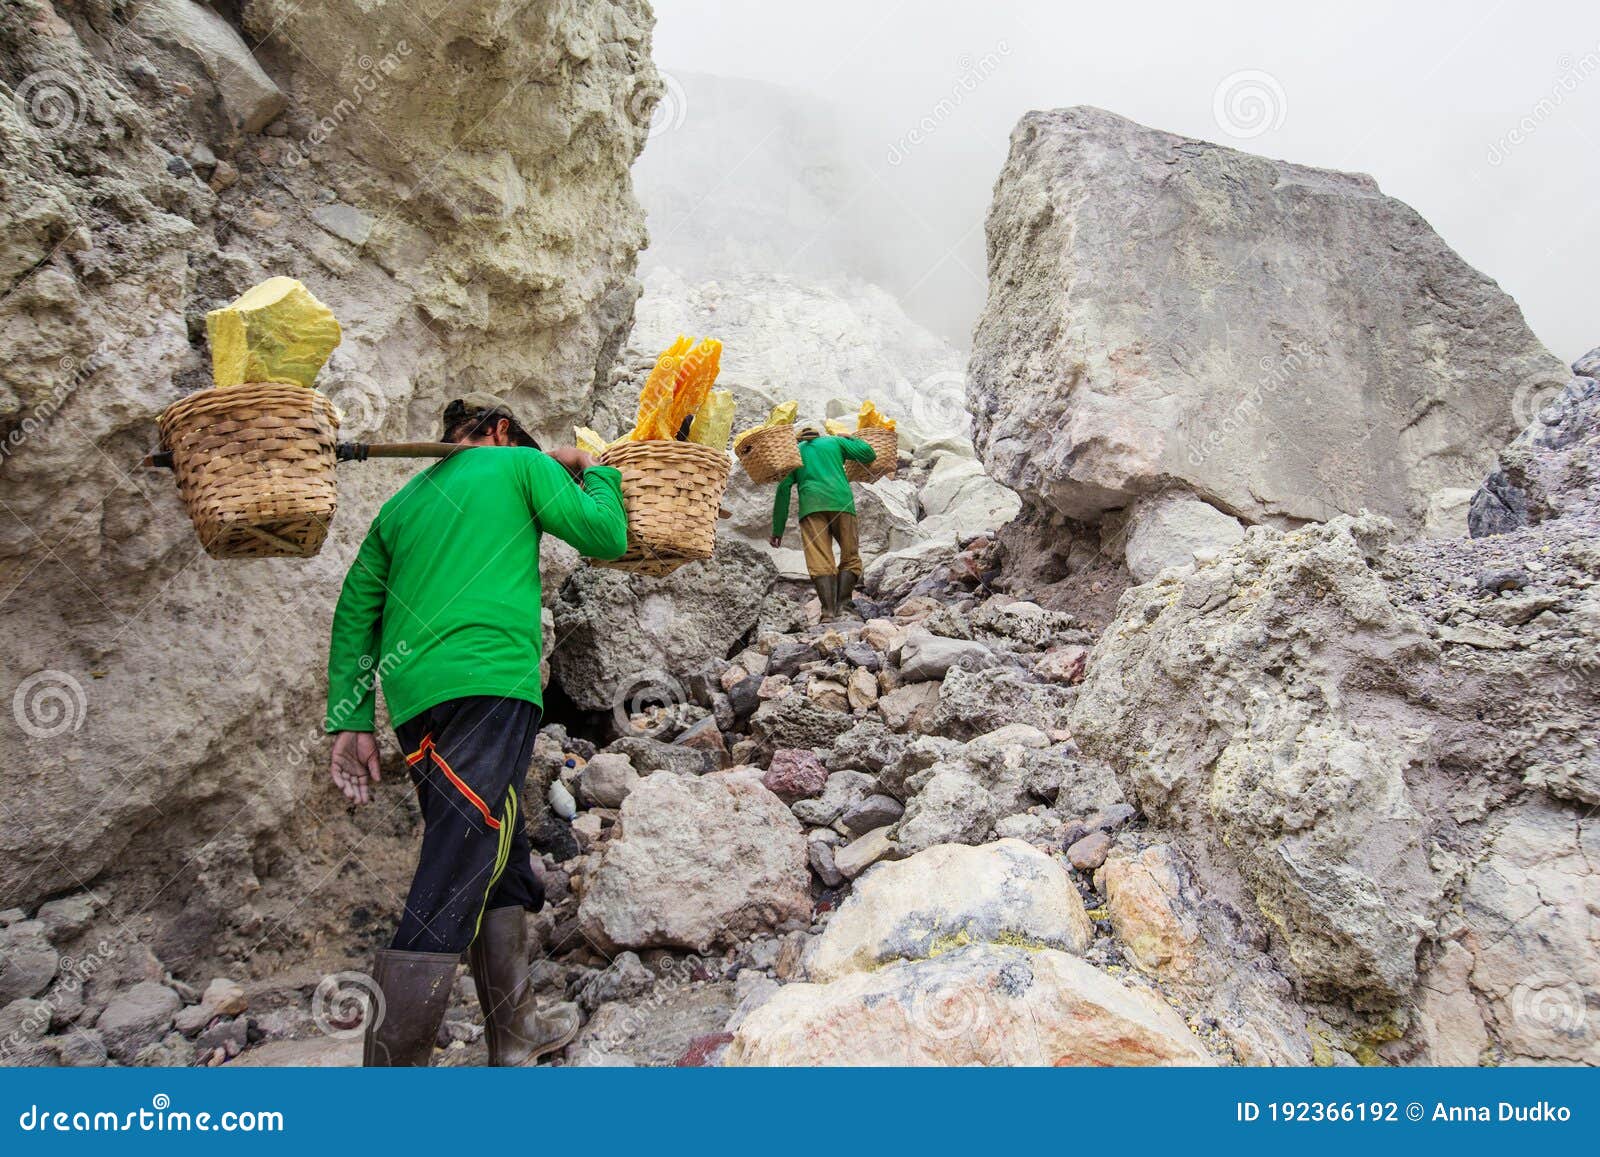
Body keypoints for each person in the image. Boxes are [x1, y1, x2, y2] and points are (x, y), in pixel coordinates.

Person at [323, 392, 628, 1066]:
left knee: (494, 840)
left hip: (416, 705)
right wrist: (593, 465)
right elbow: (607, 535)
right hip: (491, 684)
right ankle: (391, 1075)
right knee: (459, 860)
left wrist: (351, 716)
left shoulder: (400, 506)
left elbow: (355, 610)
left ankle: (515, 1036)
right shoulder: (520, 466)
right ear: (498, 431)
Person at [768, 424, 877, 619]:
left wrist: (778, 529)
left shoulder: (794, 453)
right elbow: (868, 454)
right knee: (850, 555)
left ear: (799, 440)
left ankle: (827, 612)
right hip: (842, 503)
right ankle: (844, 605)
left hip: (811, 507)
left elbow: (783, 490)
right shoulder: (834, 441)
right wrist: (851, 438)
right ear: (819, 435)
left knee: (819, 558)